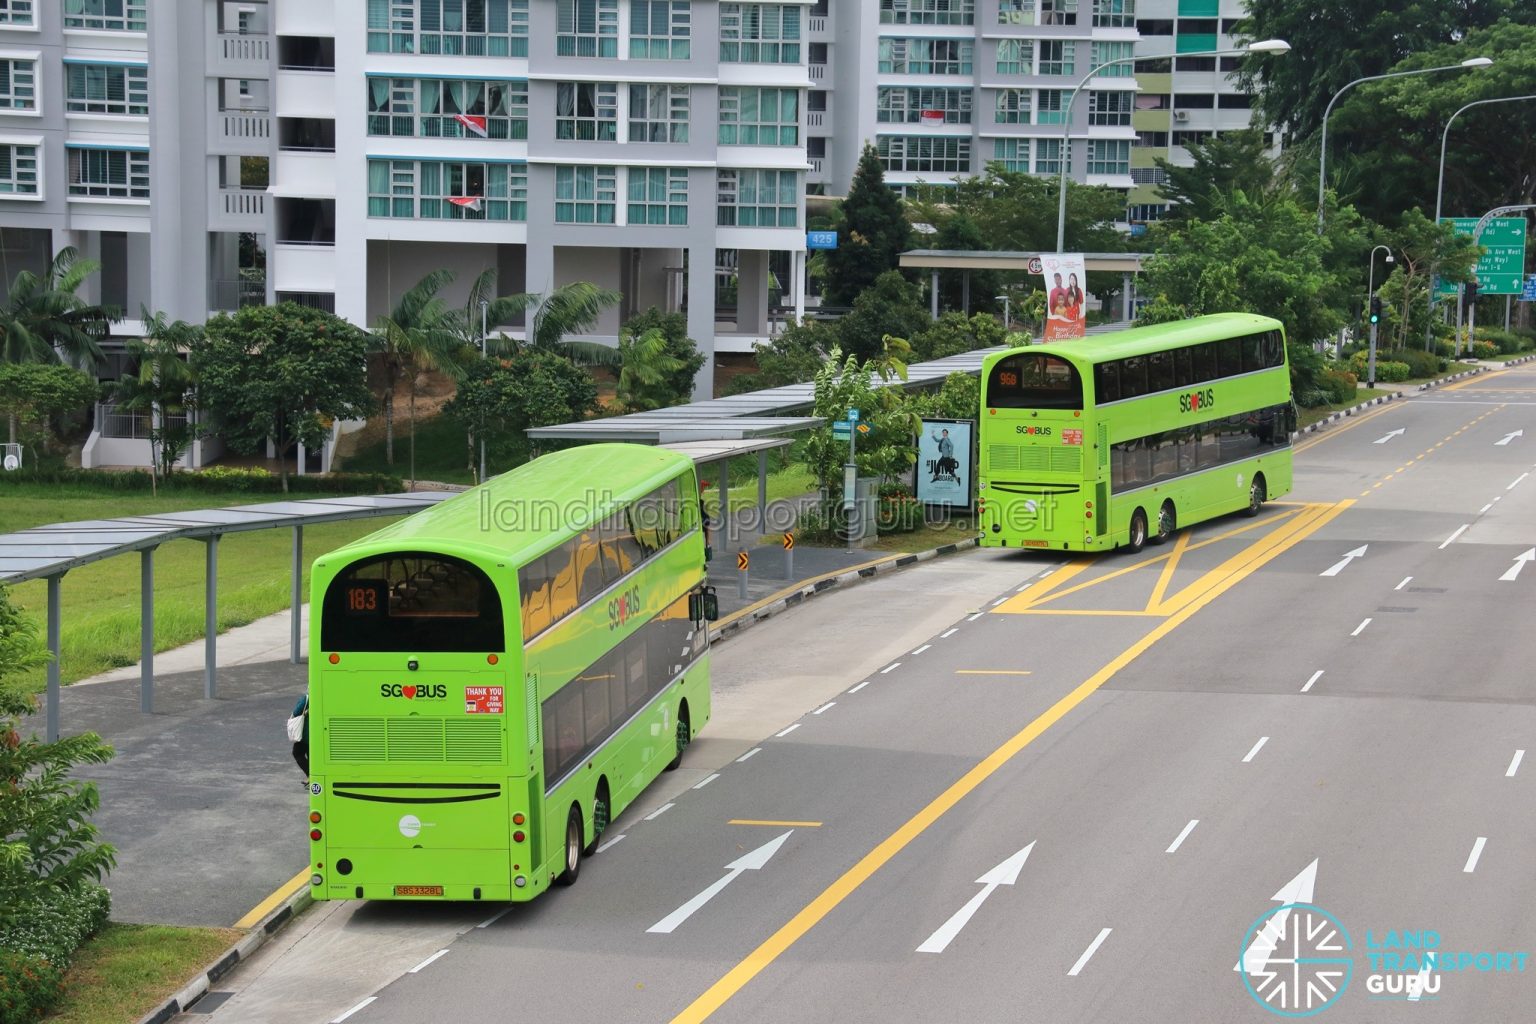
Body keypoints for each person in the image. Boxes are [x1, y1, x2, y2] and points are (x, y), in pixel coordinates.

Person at [288, 694, 309, 779]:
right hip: (318, 734)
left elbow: (295, 713)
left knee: (297, 752)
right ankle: (312, 777)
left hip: (306, 735)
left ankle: (311, 776)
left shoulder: (307, 698)